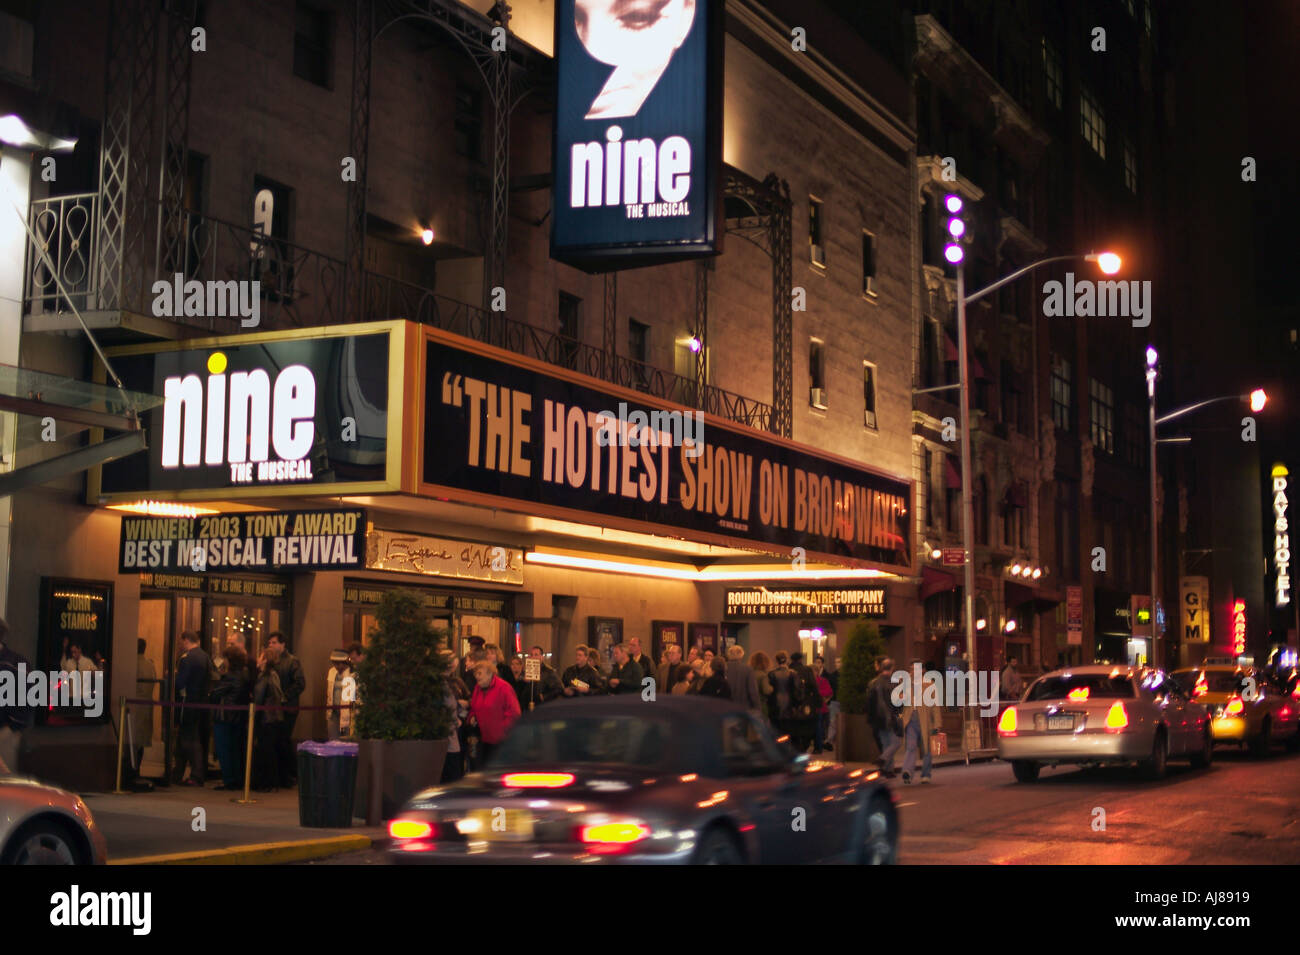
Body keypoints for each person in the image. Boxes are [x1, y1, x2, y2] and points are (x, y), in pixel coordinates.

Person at [210, 646, 252, 790]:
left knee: (224, 750)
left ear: (230, 660)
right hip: (239, 717)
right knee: (235, 750)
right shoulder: (245, 675)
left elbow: (214, 694)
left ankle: (229, 780)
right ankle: (237, 779)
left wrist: (218, 677)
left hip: (225, 717)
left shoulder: (230, 677)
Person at [172, 631, 211, 786]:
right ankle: (178, 772)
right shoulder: (205, 657)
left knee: (189, 738)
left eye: (182, 642)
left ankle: (196, 774)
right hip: (201, 702)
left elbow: (181, 682)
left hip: (187, 703)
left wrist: (172, 677)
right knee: (185, 738)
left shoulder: (187, 658)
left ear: (186, 640)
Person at [266, 633, 305, 785]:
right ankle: (283, 775)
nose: (271, 645)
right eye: (269, 642)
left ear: (283, 645)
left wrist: (284, 697)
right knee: (278, 741)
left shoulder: (292, 661)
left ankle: (291, 773)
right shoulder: (272, 661)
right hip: (275, 708)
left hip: (288, 708)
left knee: (283, 740)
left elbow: (300, 683)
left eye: (274, 642)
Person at [468, 660, 521, 764]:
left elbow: (514, 713)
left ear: (490, 674)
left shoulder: (504, 688)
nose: (476, 677)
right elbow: (473, 708)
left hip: (501, 742)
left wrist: (501, 731)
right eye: (475, 674)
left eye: (479, 673)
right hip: (483, 740)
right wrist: (472, 717)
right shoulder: (478, 688)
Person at [0, 617, 33, 773]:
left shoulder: (16, 664)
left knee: (5, 785)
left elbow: (27, 699)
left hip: (4, 733)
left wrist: (11, 727)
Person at [900, 662, 940, 784]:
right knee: (910, 747)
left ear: (922, 670)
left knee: (927, 749)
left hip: (925, 720)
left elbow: (935, 705)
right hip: (910, 719)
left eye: (915, 669)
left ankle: (926, 774)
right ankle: (907, 772)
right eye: (911, 669)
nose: (912, 672)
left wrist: (937, 723)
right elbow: (898, 700)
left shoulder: (929, 685)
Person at [252, 649, 285, 791]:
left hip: (266, 717)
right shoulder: (272, 675)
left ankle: (269, 782)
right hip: (272, 717)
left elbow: (259, 698)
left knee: (266, 750)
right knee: (269, 750)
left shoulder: (266, 676)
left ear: (265, 660)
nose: (257, 659)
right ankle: (271, 782)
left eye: (260, 657)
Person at [868, 658, 903, 777]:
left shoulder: (873, 682)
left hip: (877, 719)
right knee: (896, 743)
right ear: (892, 668)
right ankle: (883, 760)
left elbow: (869, 702)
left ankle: (888, 770)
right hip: (888, 717)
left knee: (886, 744)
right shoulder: (892, 683)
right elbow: (896, 701)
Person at [129, 638, 157, 775]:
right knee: (141, 741)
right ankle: (137, 769)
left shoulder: (132, 664)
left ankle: (132, 771)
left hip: (134, 707)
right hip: (147, 706)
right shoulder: (150, 665)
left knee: (132, 739)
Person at [443, 654, 471, 781]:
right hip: (449, 732)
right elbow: (448, 706)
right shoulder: (444, 684)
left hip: (454, 728)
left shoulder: (456, 682)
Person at [788, 652, 820, 754]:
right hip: (806, 703)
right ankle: (803, 747)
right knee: (806, 727)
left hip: (790, 704)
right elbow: (814, 686)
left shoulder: (787, 671)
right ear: (801, 659)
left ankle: (794, 747)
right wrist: (817, 702)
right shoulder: (807, 670)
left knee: (792, 727)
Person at [326, 650, 357, 740]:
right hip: (333, 711)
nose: (337, 667)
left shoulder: (352, 673)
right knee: (332, 739)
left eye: (339, 664)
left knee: (347, 739)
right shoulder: (331, 672)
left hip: (347, 712)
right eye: (335, 664)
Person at [767, 652, 796, 742]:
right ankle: (785, 746)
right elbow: (797, 690)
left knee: (775, 729)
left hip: (774, 704)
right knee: (787, 729)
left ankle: (778, 747)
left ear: (776, 661)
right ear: (787, 660)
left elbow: (769, 691)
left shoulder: (771, 674)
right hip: (789, 704)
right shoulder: (792, 674)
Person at [724, 645, 761, 714]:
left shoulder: (723, 668)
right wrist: (758, 709)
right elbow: (753, 692)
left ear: (728, 655)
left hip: (726, 708)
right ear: (742, 655)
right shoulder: (748, 669)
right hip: (743, 708)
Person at [811, 657, 833, 754]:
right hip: (815, 707)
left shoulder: (822, 680)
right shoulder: (812, 681)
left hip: (819, 708)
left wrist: (817, 694)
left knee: (818, 727)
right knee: (817, 727)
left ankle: (818, 747)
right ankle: (817, 746)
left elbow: (829, 692)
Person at [750, 652, 774, 724]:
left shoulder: (750, 674)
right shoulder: (763, 675)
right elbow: (766, 690)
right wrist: (772, 688)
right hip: (761, 705)